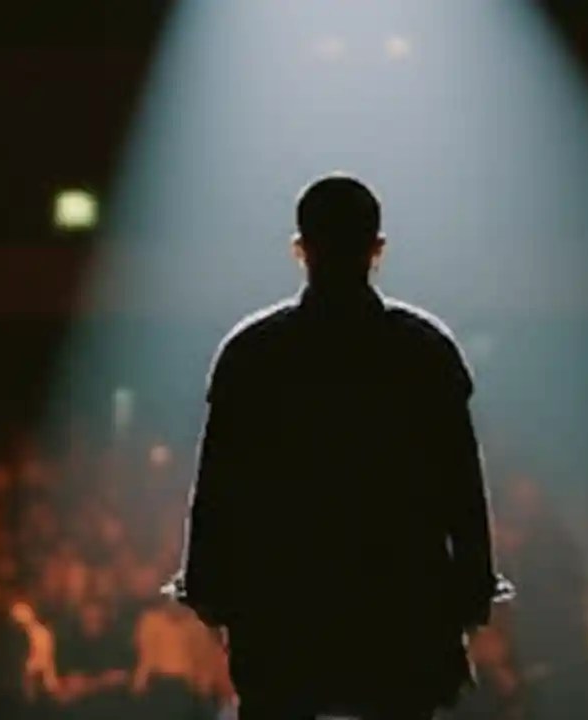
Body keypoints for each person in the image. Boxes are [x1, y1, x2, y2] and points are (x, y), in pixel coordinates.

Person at [166, 173, 513, 719]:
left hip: (282, 612)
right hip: (400, 610)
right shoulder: (424, 353)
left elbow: (217, 493)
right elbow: (462, 492)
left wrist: (212, 592)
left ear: (300, 249)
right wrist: (468, 596)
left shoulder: (252, 356)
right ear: (377, 250)